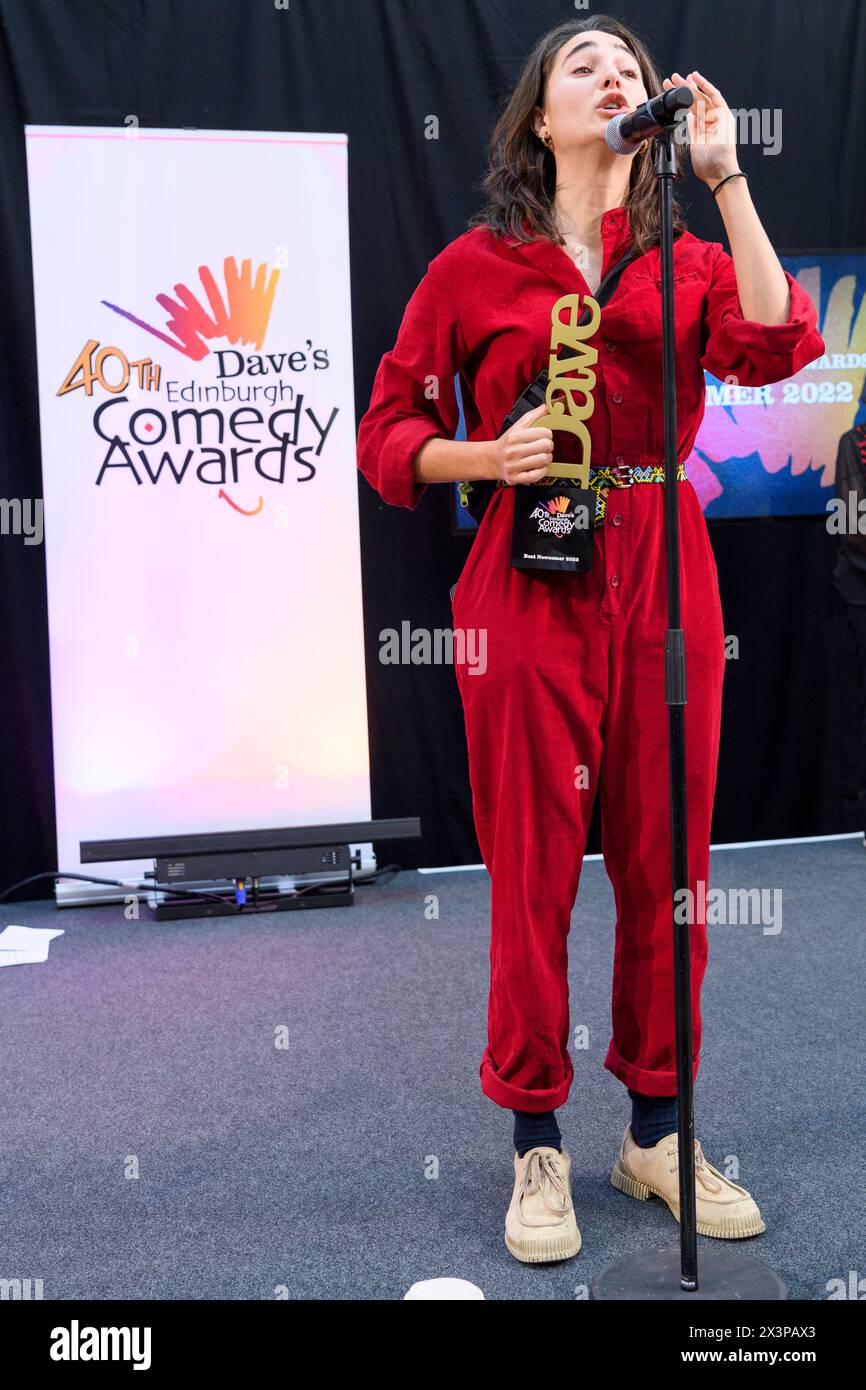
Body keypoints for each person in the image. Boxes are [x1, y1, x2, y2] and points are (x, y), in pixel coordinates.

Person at [355, 16, 824, 1264]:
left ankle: (657, 1128)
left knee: (669, 858)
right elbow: (385, 433)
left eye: (629, 62)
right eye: (585, 64)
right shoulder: (475, 267)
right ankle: (536, 1141)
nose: (616, 75)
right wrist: (480, 456)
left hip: (662, 560)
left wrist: (725, 177)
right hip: (526, 573)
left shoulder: (685, 261)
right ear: (539, 116)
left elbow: (779, 345)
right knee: (532, 860)